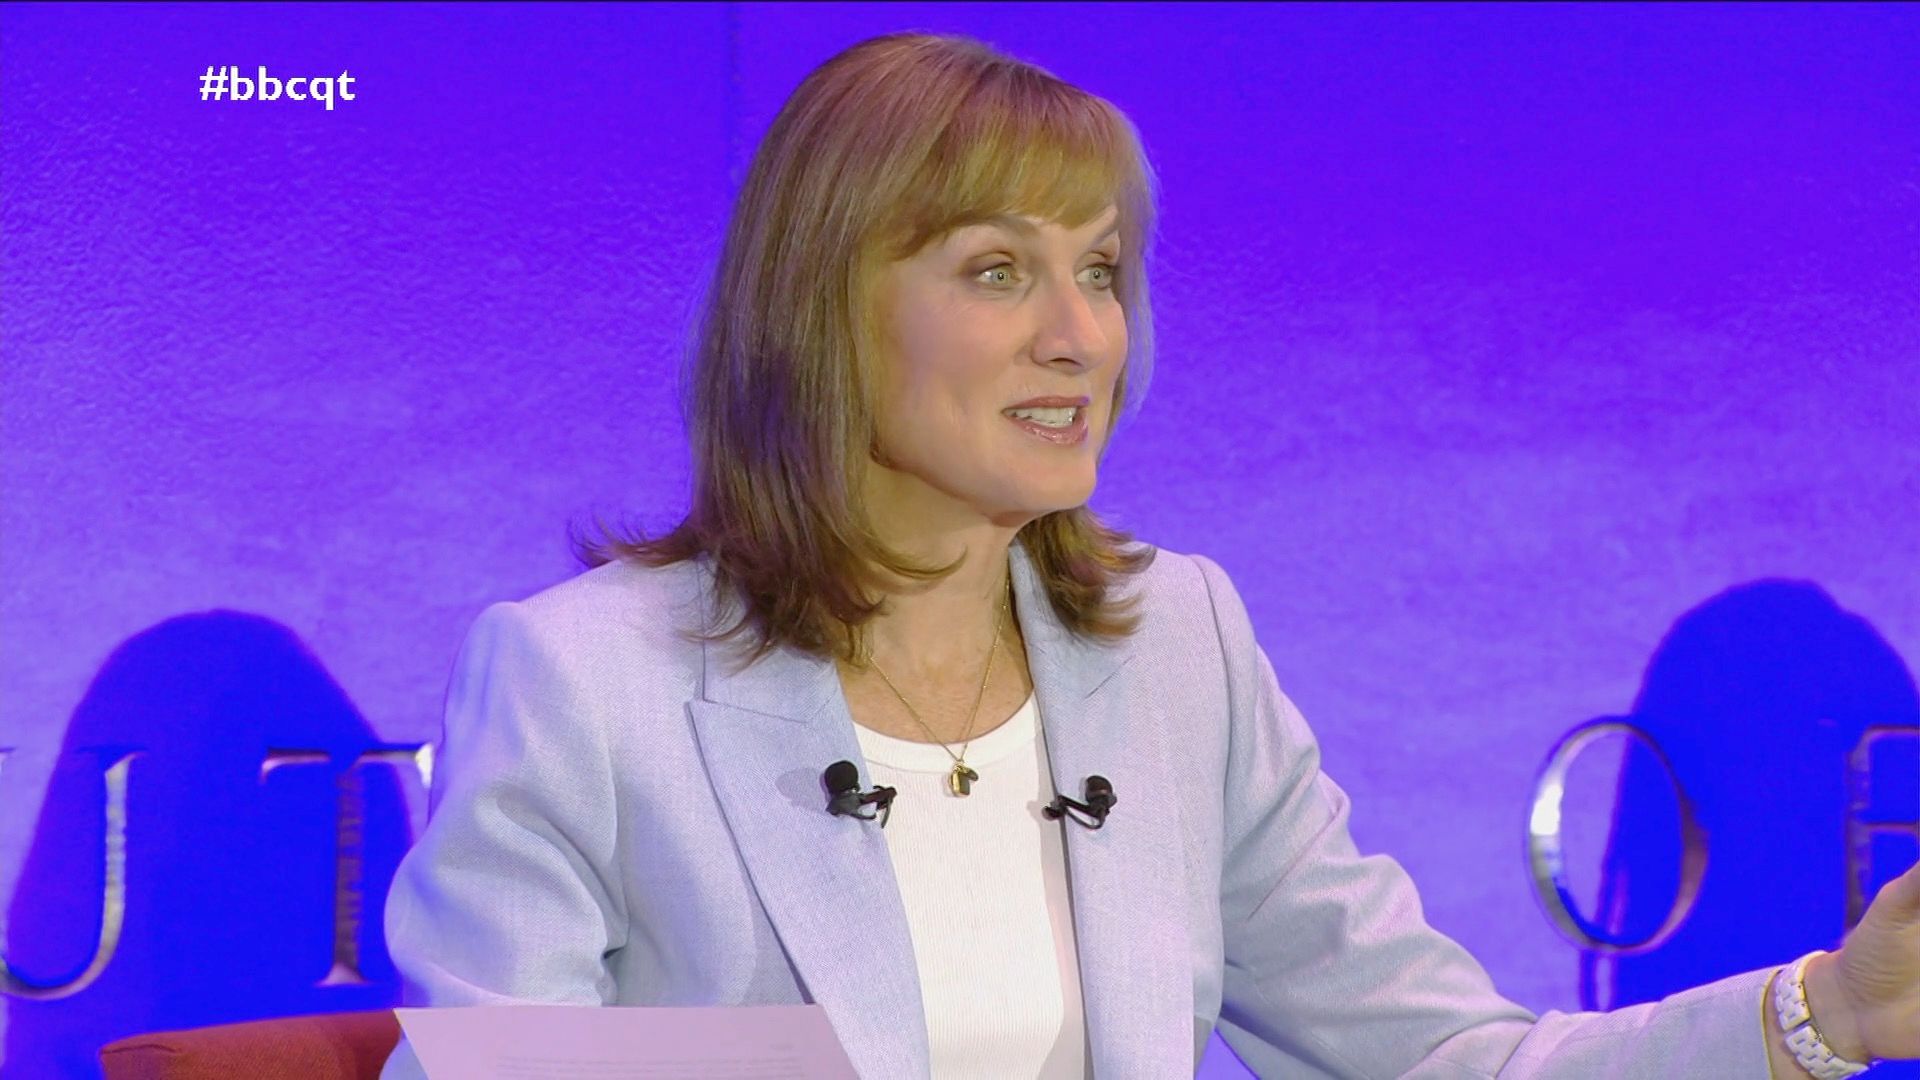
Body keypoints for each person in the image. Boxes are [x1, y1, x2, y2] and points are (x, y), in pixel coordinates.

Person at [379, 31, 1920, 1079]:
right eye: (999, 271)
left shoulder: (1175, 641)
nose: (1081, 335)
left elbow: (1443, 1059)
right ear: (823, 309)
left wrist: (1826, 1014)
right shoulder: (585, 680)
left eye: (1102, 271)